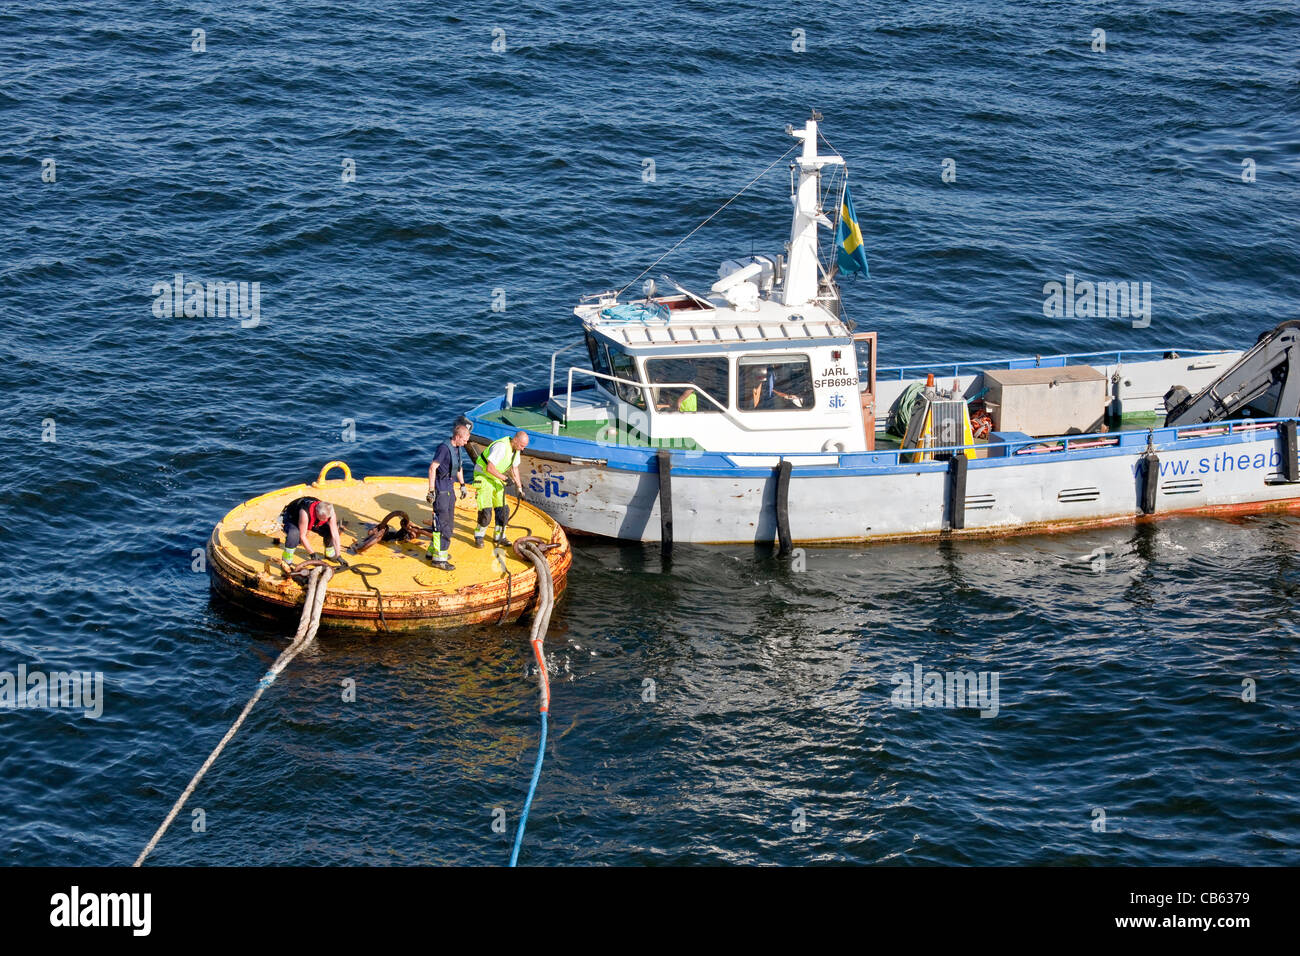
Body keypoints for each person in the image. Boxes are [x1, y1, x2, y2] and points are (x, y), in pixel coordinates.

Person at [424, 422, 470, 570]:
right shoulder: (444, 448)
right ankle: (439, 560)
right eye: (464, 440)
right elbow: (432, 468)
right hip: (441, 489)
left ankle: (433, 551)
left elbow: (458, 467)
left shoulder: (457, 449)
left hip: (450, 488)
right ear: (457, 437)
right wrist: (431, 490)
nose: (466, 442)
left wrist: (462, 485)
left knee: (444, 524)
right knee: (444, 526)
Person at [472, 430, 528, 548]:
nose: (522, 449)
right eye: (522, 446)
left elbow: (514, 469)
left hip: (495, 477)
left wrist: (519, 488)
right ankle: (479, 536)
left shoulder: (516, 450)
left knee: (504, 510)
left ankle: (499, 536)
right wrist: (505, 478)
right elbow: (489, 468)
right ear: (515, 440)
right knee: (486, 512)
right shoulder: (501, 447)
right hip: (483, 475)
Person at [279, 496, 342, 565]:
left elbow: (335, 534)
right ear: (317, 512)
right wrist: (312, 553)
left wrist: (338, 555)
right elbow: (302, 536)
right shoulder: (304, 513)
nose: (326, 520)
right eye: (324, 518)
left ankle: (329, 553)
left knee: (330, 530)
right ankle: (287, 559)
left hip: (312, 520)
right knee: (294, 534)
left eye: (327, 518)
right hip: (293, 518)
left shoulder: (330, 512)